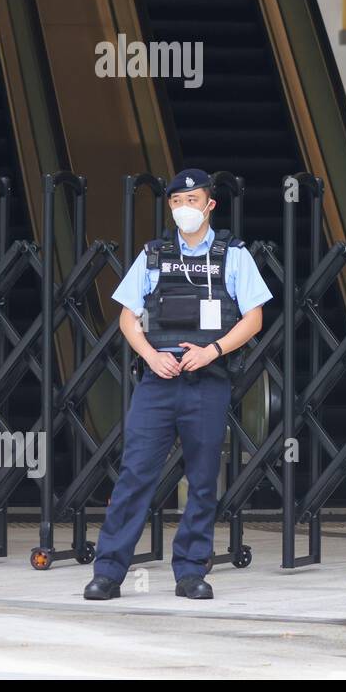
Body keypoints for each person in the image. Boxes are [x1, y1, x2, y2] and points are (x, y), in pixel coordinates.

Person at [83, 168, 272, 601]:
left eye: (193, 201)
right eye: (177, 203)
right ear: (169, 207)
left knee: (203, 478)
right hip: (158, 380)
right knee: (135, 474)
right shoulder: (153, 255)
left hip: (207, 380)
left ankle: (190, 571)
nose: (184, 209)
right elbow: (127, 317)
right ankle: (109, 572)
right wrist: (150, 355)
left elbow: (254, 317)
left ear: (210, 205)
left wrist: (213, 351)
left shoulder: (233, 255)